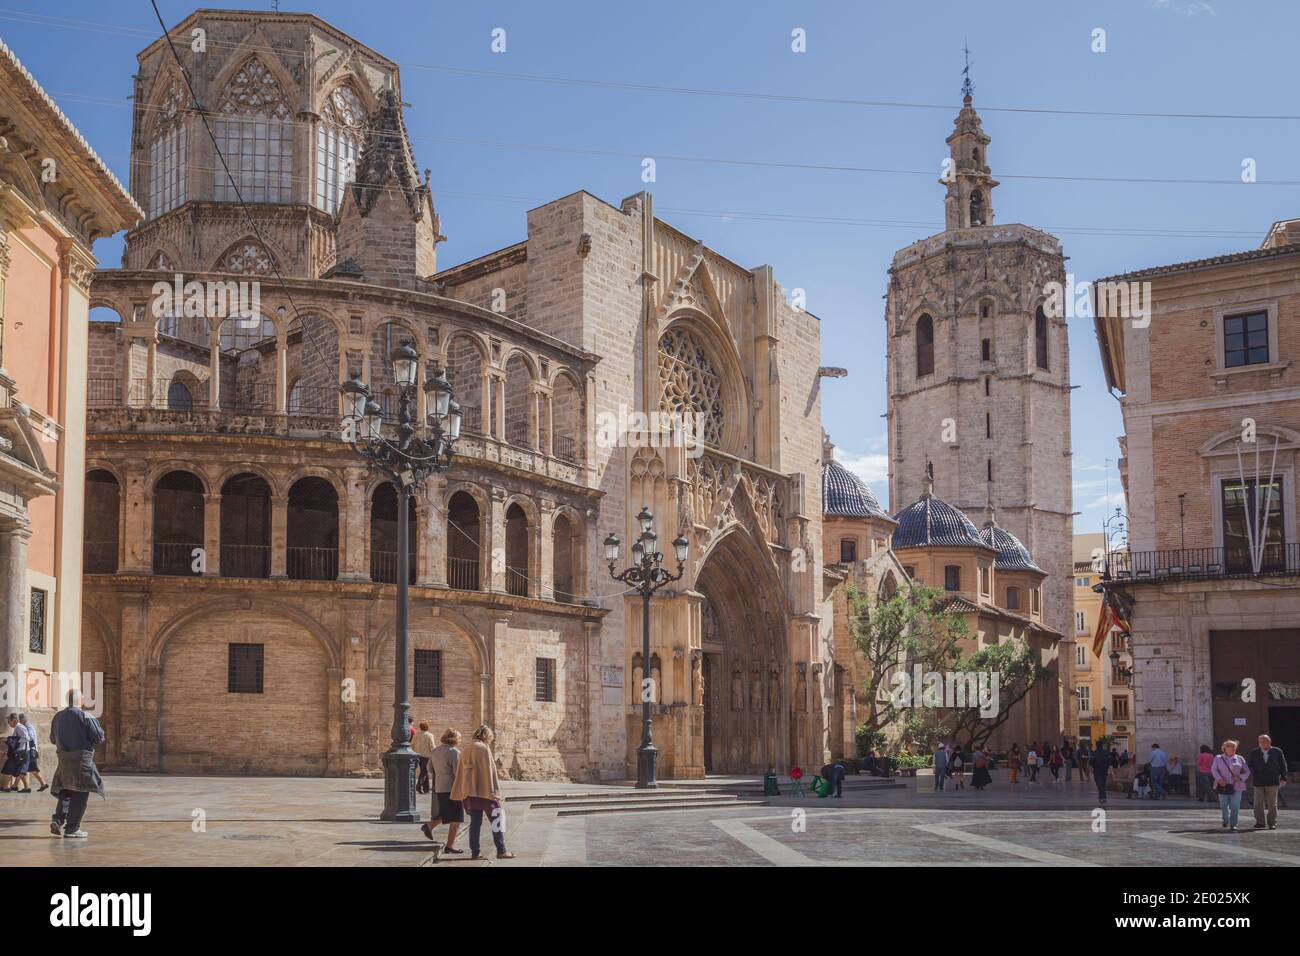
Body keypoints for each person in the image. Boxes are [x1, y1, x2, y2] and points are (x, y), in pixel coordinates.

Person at [450, 725, 515, 861]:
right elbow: (490, 772)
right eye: (490, 737)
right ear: (486, 736)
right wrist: (494, 793)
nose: (490, 740)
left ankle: (475, 852)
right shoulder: (483, 748)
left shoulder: (466, 749)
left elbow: (461, 773)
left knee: (474, 824)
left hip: (470, 794)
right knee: (498, 820)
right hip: (485, 793)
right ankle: (501, 851)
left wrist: (463, 793)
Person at [49, 689, 106, 839]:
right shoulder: (86, 716)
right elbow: (99, 737)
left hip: (63, 759)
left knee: (66, 791)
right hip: (81, 759)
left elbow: (52, 739)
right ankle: (72, 828)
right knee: (81, 793)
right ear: (79, 701)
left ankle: (58, 819)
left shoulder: (58, 716)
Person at [421, 728, 464, 856]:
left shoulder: (435, 751)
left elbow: (429, 768)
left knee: (447, 812)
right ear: (455, 739)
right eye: (459, 739)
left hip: (439, 787)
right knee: (456, 818)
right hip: (452, 788)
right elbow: (458, 773)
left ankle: (429, 826)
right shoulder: (454, 752)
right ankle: (450, 846)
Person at [1245, 734, 1288, 830]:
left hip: (1272, 781)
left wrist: (1284, 777)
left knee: (1272, 803)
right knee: (1258, 803)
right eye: (1260, 741)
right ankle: (1260, 822)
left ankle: (1272, 823)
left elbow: (1283, 764)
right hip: (1258, 781)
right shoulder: (1254, 752)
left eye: (1264, 741)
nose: (1261, 743)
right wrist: (1249, 775)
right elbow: (1250, 765)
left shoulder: (1277, 751)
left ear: (1269, 742)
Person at [1211, 739, 1250, 832]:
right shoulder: (1218, 758)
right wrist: (1219, 779)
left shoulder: (1240, 758)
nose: (1233, 749)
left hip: (1237, 785)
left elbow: (1247, 771)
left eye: (1234, 747)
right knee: (1224, 805)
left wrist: (1240, 777)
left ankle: (1234, 824)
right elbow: (1214, 770)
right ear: (1225, 748)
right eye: (1230, 747)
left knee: (1235, 805)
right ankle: (1225, 819)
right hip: (1223, 785)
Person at [17, 715, 48, 792]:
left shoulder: (28, 727)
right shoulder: (27, 726)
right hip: (31, 750)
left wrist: (21, 738)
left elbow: (30, 737)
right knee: (32, 769)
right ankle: (43, 784)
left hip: (31, 751)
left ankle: (21, 787)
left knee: (24, 768)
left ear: (22, 720)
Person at [0, 714, 29, 792]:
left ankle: (6, 787)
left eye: (9, 721)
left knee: (7, 769)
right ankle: (26, 788)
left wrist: (14, 741)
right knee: (20, 771)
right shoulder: (18, 727)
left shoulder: (19, 727)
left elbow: (26, 738)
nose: (8, 723)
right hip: (19, 752)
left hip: (19, 752)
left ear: (14, 721)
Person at [412, 721, 436, 794]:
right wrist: (435, 753)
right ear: (427, 727)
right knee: (424, 771)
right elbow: (432, 746)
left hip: (417, 755)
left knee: (424, 770)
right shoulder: (430, 735)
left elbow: (412, 744)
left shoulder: (416, 734)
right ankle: (419, 785)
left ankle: (426, 788)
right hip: (426, 755)